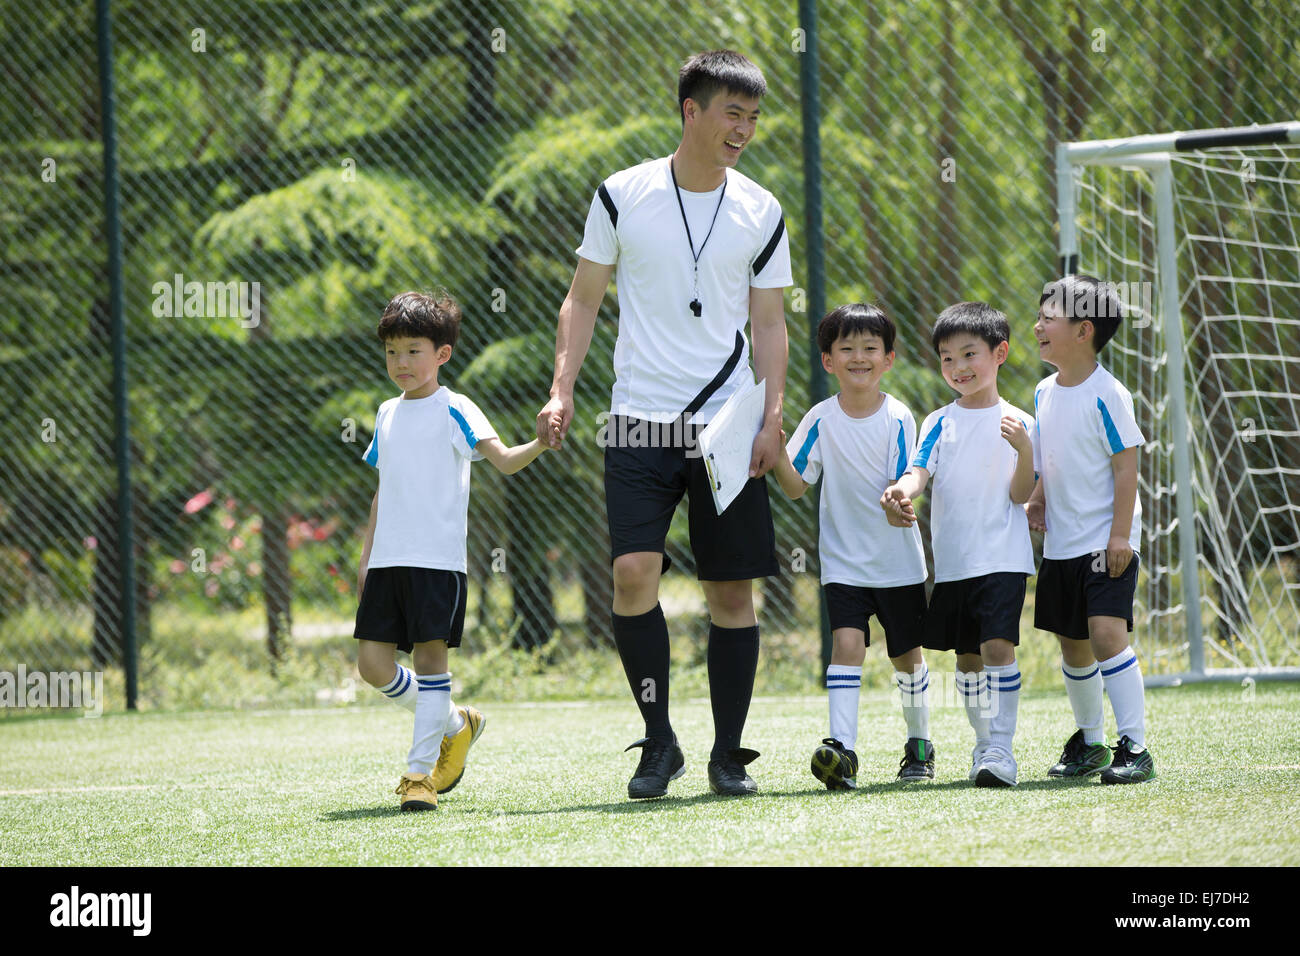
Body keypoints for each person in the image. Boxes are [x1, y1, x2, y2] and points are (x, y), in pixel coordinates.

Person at [535, 50, 792, 799]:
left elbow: (770, 323)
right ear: (691, 111)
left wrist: (771, 420)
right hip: (638, 421)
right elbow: (581, 300)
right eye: (730, 113)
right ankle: (659, 742)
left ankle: (727, 754)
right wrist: (561, 388)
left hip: (726, 425)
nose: (743, 129)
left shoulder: (762, 208)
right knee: (631, 574)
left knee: (731, 594)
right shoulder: (622, 194)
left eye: (752, 116)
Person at [355, 291, 548, 811]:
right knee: (372, 667)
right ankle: (456, 722)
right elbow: (382, 489)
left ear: (442, 354)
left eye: (413, 351)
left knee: (430, 660)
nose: (401, 363)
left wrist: (540, 443)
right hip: (388, 562)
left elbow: (505, 461)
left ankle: (418, 776)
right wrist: (366, 557)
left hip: (437, 564)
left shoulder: (457, 407)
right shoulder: (384, 413)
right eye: (393, 351)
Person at [773, 304, 933, 790]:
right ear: (828, 360)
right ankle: (841, 749)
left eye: (870, 348)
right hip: (842, 564)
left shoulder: (899, 416)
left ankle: (920, 746)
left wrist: (897, 500)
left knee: (906, 655)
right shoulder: (820, 419)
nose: (858, 357)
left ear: (888, 359)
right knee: (847, 645)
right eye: (846, 348)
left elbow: (907, 478)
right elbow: (796, 484)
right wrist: (775, 449)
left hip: (898, 564)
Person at [880, 302, 1035, 787]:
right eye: (947, 359)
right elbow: (918, 472)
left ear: (1000, 353)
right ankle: (983, 743)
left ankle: (1002, 751)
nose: (959, 368)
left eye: (970, 354)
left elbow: (1020, 495)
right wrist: (899, 493)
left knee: (996, 646)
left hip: (1004, 558)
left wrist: (1025, 451)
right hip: (953, 566)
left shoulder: (1021, 421)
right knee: (966, 659)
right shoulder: (937, 422)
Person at [1027, 274, 1155, 784]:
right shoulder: (1042, 391)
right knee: (1072, 641)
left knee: (1106, 635)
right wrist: (1037, 498)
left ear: (1083, 330)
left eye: (1047, 317)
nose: (1037, 325)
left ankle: (1136, 747)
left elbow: (1127, 466)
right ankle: (1091, 743)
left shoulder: (1109, 393)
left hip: (1107, 539)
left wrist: (1120, 537)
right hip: (1063, 542)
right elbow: (1049, 459)